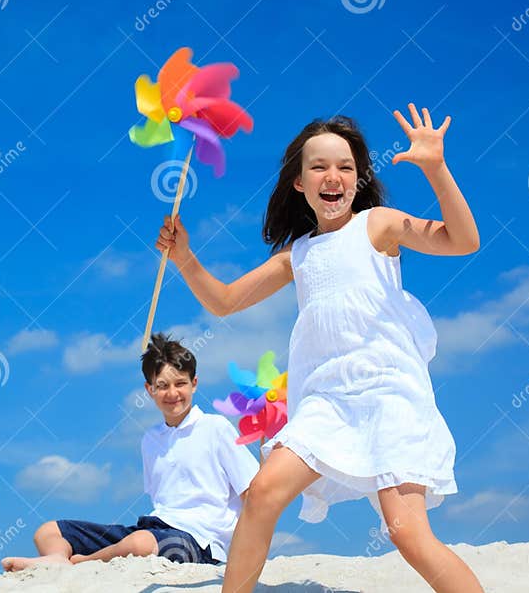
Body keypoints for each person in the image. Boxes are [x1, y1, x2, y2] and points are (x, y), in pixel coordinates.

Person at [155, 106, 484, 593]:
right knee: (263, 490)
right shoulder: (298, 255)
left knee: (408, 532)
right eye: (319, 167)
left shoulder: (379, 225)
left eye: (346, 167)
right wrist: (183, 257)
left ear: (358, 179)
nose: (333, 176)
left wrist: (435, 167)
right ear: (299, 183)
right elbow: (224, 301)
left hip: (389, 394)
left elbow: (463, 241)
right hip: (326, 402)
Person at [1, 333, 259, 571]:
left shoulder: (216, 427)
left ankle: (83, 563)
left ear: (194, 383)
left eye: (181, 383)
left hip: (202, 542)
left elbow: (253, 492)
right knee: (49, 531)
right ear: (150, 390)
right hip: (154, 527)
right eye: (163, 385)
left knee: (139, 545)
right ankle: (58, 558)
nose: (173, 393)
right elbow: (162, 502)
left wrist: (247, 549)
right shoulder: (150, 439)